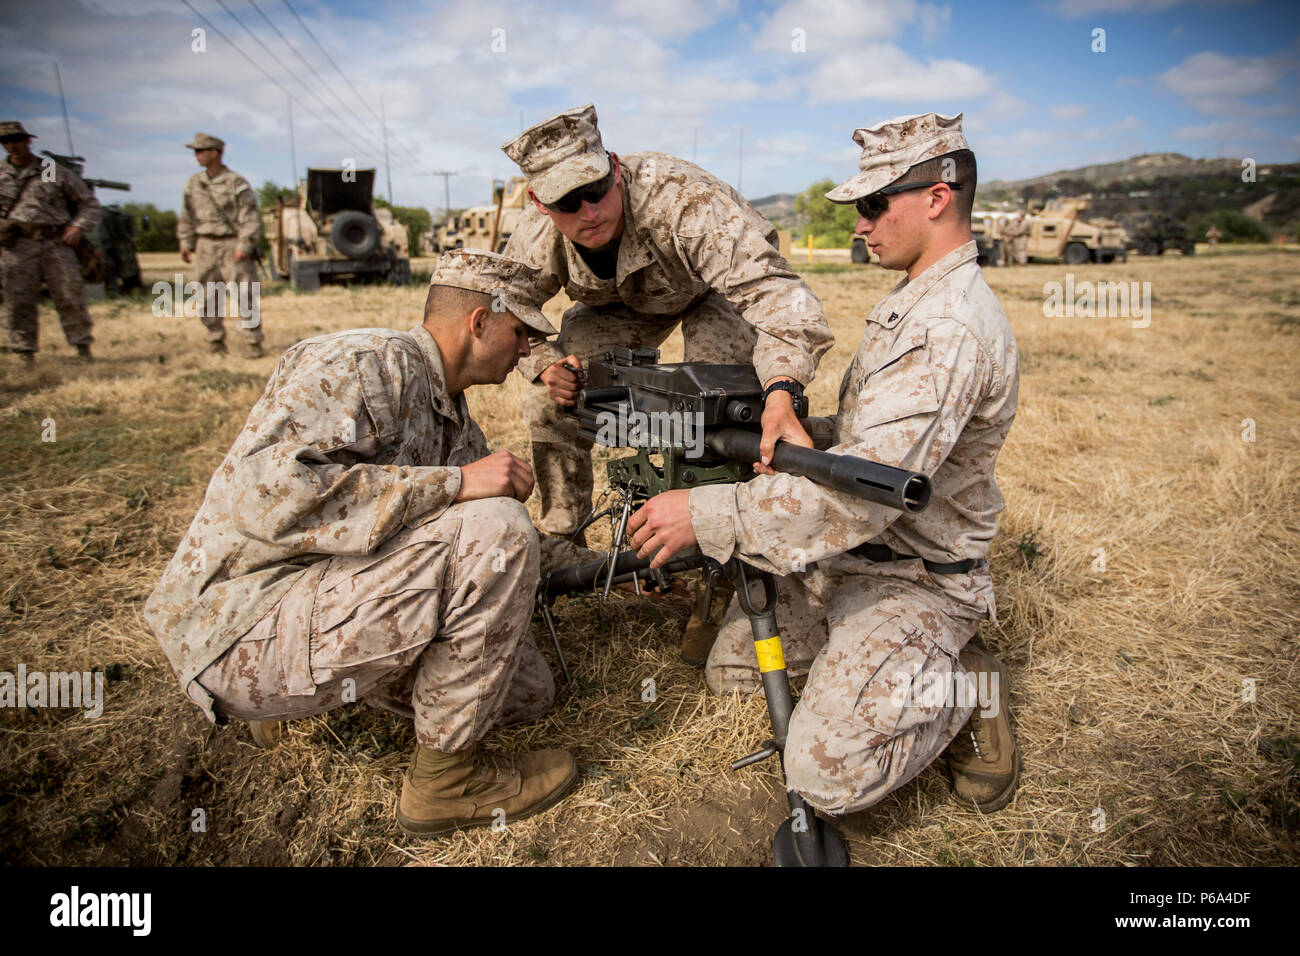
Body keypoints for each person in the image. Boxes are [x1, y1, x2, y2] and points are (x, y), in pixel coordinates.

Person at [625, 112, 1022, 816]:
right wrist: (798, 431)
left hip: (917, 578)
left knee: (822, 777)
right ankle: (872, 666)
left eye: (874, 205)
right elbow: (872, 440)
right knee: (732, 673)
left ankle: (963, 682)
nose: (860, 225)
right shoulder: (911, 302)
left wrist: (705, 514)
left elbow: (866, 495)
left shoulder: (950, 327)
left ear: (937, 197)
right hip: (849, 561)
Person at [145, 249, 589, 837]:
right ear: (478, 322)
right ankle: (444, 784)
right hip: (241, 625)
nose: (528, 350)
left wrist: (617, 567)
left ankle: (301, 699)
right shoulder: (361, 364)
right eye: (520, 332)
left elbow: (513, 554)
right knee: (496, 525)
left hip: (313, 603)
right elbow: (265, 498)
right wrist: (457, 484)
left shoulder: (449, 414)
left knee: (526, 695)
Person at [500, 103, 834, 665]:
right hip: (618, 308)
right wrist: (546, 363)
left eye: (597, 188)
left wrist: (782, 389)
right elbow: (505, 305)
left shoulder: (686, 202)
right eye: (566, 202)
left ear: (612, 166)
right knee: (557, 405)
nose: (589, 210)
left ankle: (724, 570)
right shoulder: (538, 235)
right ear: (538, 203)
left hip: (718, 291)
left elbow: (780, 299)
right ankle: (565, 550)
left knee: (713, 413)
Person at [0, 120, 100, 364]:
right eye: (6, 141)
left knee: (70, 295)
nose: (12, 145)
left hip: (55, 244)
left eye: (16, 139)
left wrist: (78, 227)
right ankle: (24, 354)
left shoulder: (49, 170)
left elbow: (88, 203)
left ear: (28, 140)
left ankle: (82, 349)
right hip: (16, 247)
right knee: (18, 299)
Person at [177, 133, 265, 358]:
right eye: (195, 151)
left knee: (244, 294)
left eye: (200, 150)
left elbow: (250, 216)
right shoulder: (193, 183)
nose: (196, 155)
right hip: (205, 244)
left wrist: (244, 244)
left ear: (214, 152)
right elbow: (187, 215)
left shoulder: (236, 182)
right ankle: (216, 342)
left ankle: (253, 342)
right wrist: (185, 241)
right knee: (206, 296)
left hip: (231, 244)